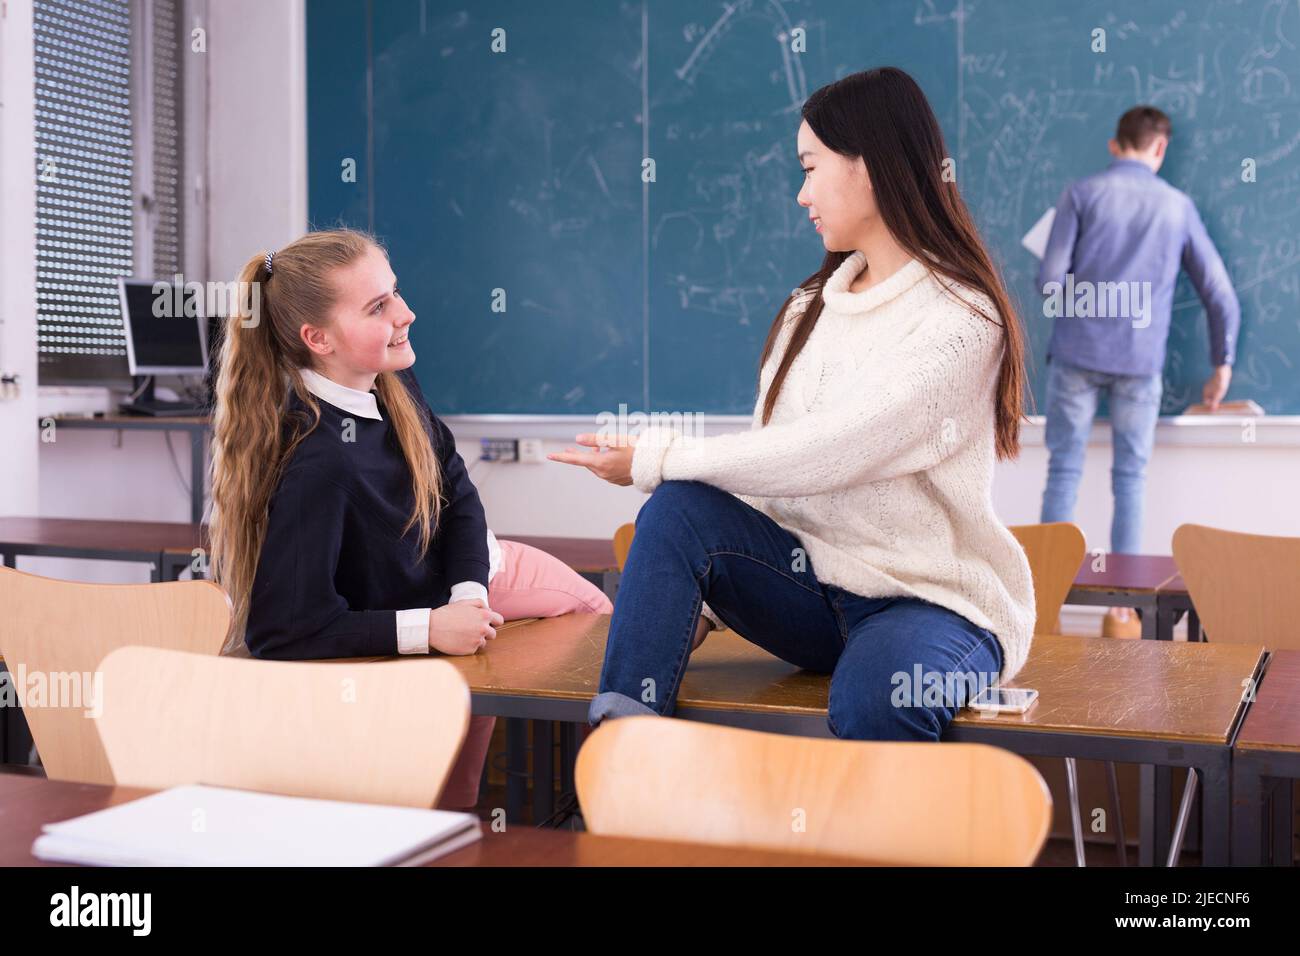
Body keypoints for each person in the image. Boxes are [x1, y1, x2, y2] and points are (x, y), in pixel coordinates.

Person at [551, 67, 1035, 742]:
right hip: (812, 595)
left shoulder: (961, 317)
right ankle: (620, 761)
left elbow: (838, 448)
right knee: (679, 507)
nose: (801, 193)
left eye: (810, 167)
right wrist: (700, 598)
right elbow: (769, 477)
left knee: (880, 699)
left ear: (868, 165)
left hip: (928, 604)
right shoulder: (810, 308)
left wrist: (654, 454)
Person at [208, 228, 611, 809]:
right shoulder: (317, 464)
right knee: (446, 785)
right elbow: (281, 630)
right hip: (425, 611)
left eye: (395, 292)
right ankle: (458, 823)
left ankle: (615, 807)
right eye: (378, 307)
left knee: (608, 628)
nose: (406, 312)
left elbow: (459, 496)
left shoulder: (391, 381)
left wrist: (467, 593)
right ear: (317, 338)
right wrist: (430, 628)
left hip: (481, 573)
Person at [1037, 106, 1240, 636]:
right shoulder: (1177, 208)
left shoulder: (1081, 194)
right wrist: (1223, 363)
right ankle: (1122, 615)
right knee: (1130, 478)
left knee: (1063, 471)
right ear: (1159, 149)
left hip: (1077, 356)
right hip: (1139, 363)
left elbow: (1049, 284)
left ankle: (1041, 606)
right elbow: (1219, 294)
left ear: (1114, 145)